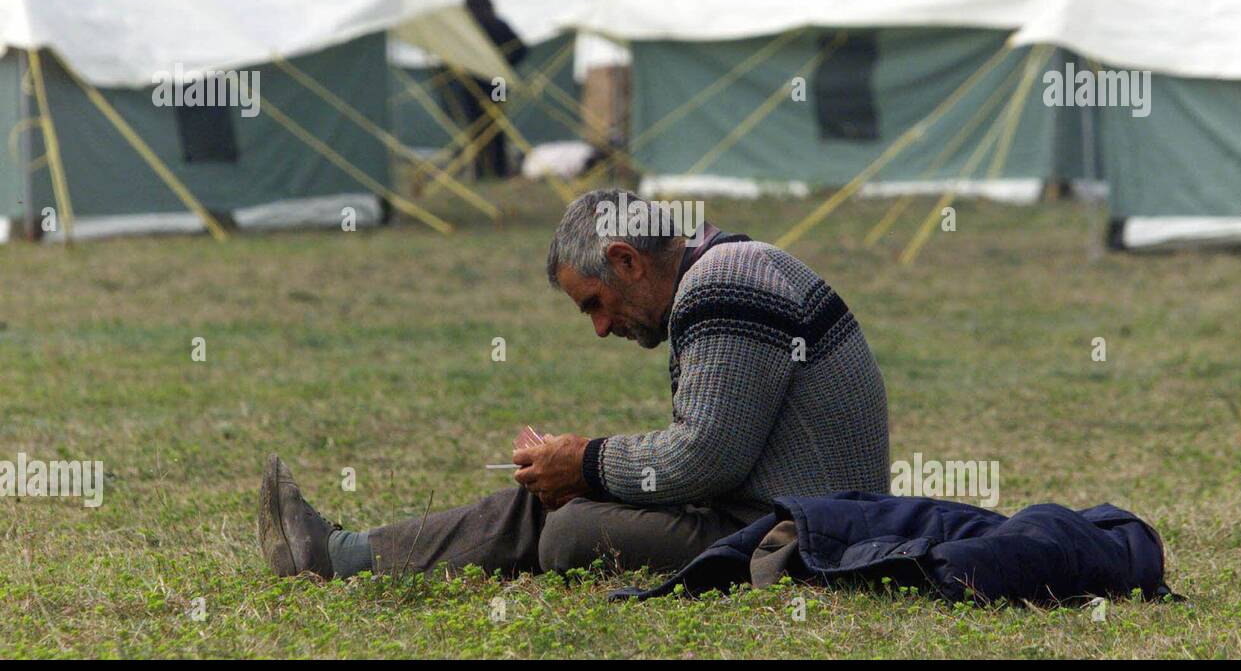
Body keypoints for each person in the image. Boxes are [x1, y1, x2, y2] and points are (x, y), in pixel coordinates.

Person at [258, 189, 890, 579]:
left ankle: (340, 555)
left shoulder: (722, 286)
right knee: (550, 502)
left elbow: (707, 458)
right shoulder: (734, 267)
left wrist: (585, 462)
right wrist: (575, 469)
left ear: (626, 260)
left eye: (595, 303)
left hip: (800, 536)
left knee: (566, 531)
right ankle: (342, 553)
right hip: (784, 514)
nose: (600, 326)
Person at [447, 0, 526, 179]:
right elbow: (521, 49)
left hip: (474, 83)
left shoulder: (470, 28)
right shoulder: (498, 24)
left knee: (477, 126)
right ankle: (498, 169)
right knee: (496, 125)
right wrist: (505, 65)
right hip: (497, 81)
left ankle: (482, 171)